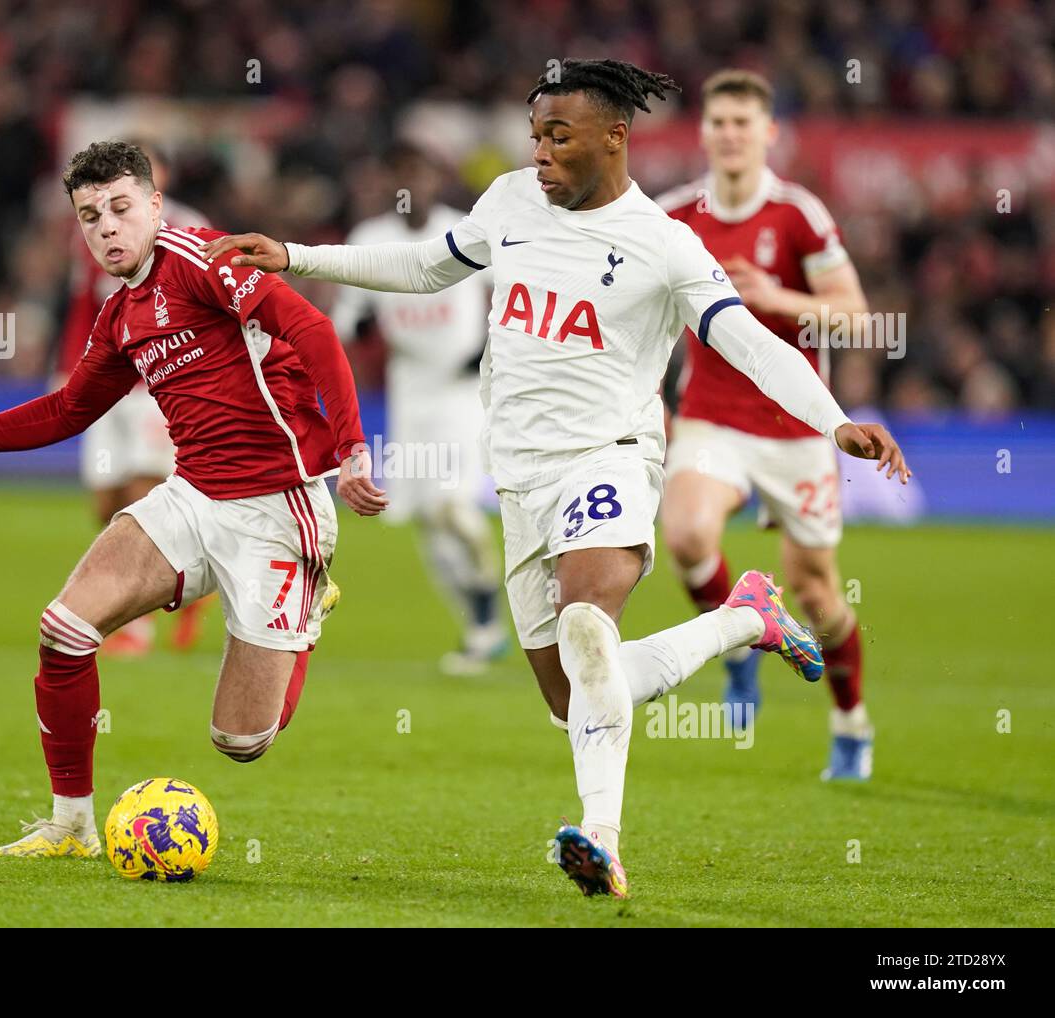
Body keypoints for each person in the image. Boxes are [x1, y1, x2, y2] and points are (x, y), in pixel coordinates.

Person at [201, 59, 910, 899]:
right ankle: (743, 618)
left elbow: (749, 343)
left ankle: (602, 841)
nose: (538, 152)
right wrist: (295, 256)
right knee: (574, 695)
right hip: (521, 479)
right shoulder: (509, 202)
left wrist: (834, 419)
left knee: (585, 624)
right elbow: (428, 266)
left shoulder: (663, 244)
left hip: (611, 457)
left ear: (615, 136)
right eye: (534, 134)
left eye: (557, 135)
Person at [0, 141, 385, 859]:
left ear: (154, 204)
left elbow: (312, 328)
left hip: (278, 509)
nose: (106, 227)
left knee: (240, 741)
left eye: (119, 208)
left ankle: (308, 613)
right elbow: (65, 412)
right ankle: (70, 824)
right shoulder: (120, 315)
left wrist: (354, 450)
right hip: (192, 497)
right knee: (64, 630)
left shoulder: (202, 259)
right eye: (89, 216)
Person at [656, 70, 875, 779]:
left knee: (817, 594)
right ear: (704, 132)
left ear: (768, 133)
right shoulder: (673, 215)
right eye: (717, 121)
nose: (728, 134)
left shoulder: (798, 215)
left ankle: (850, 720)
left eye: (742, 123)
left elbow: (856, 315)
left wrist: (774, 295)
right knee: (686, 532)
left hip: (796, 429)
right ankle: (741, 643)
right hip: (712, 418)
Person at [332, 142, 507, 674]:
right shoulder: (371, 239)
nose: (412, 189)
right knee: (428, 524)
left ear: (437, 181)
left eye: (421, 177)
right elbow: (348, 315)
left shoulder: (466, 233)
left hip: (461, 391)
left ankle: (490, 606)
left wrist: (487, 350)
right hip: (410, 396)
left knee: (451, 507)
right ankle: (481, 625)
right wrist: (360, 326)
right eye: (401, 178)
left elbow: (512, 294)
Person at [52, 140, 212, 656]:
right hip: (108, 380)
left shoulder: (190, 230)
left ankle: (135, 624)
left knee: (145, 494)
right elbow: (84, 301)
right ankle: (195, 588)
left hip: (156, 385)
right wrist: (68, 367)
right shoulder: (95, 235)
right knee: (106, 499)